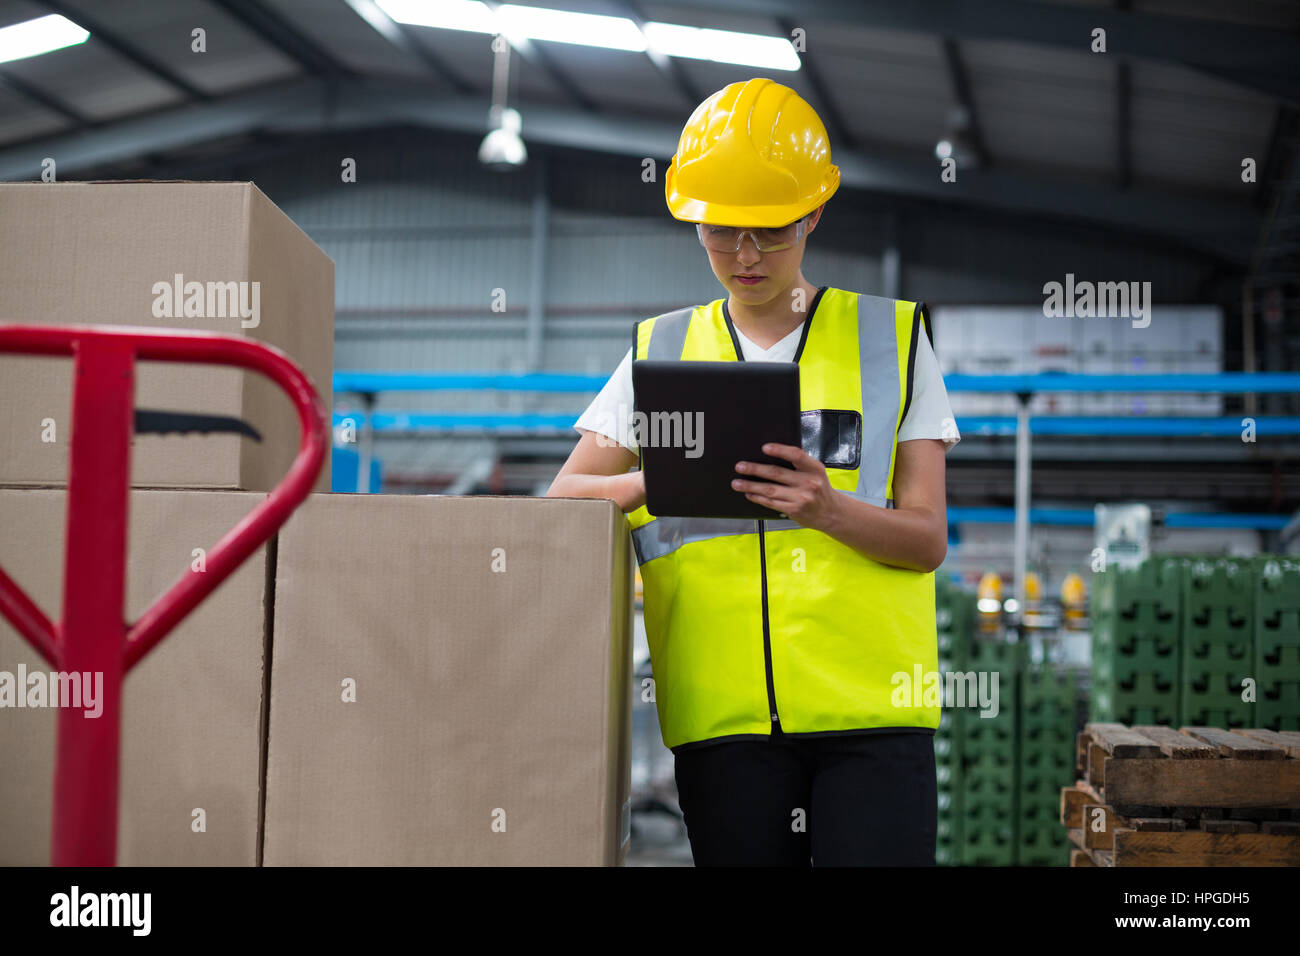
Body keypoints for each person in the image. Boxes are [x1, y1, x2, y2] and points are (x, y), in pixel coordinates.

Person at [547, 78, 960, 866]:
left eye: (769, 232)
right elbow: (563, 498)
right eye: (720, 231)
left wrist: (825, 507)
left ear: (813, 214)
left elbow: (927, 538)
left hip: (871, 719)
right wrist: (653, 480)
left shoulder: (893, 341)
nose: (744, 257)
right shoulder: (657, 351)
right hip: (723, 723)